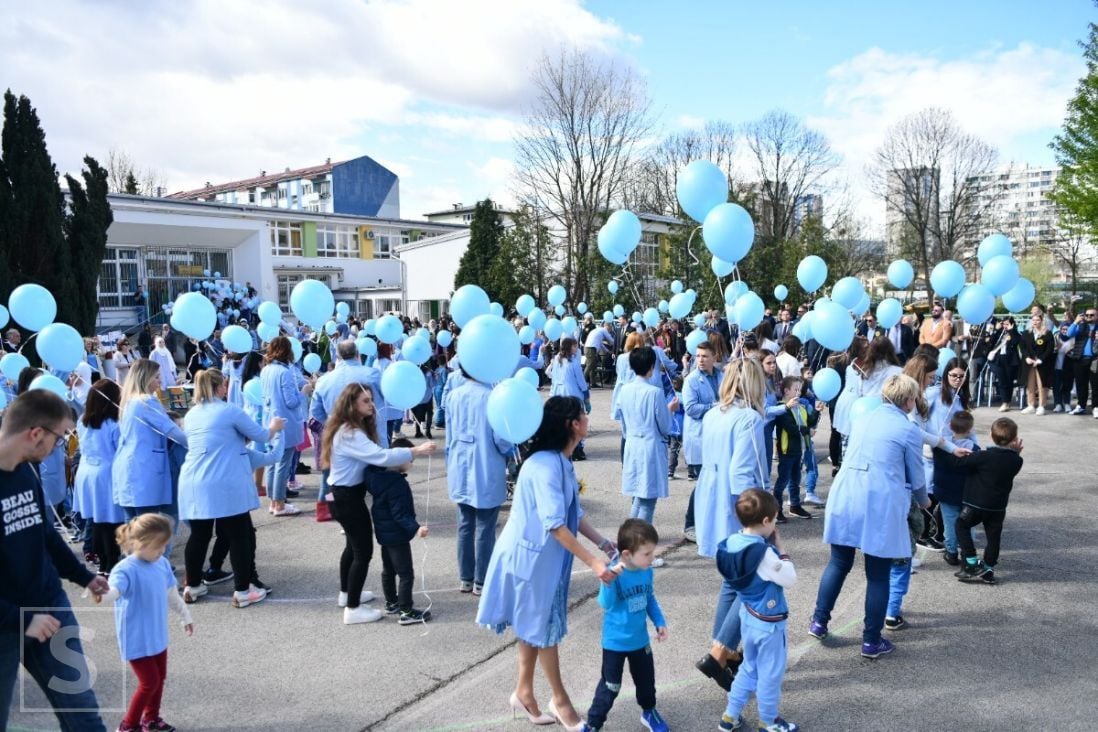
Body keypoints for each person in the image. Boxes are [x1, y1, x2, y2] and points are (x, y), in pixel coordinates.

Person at [476, 396, 618, 730]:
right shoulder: (544, 466)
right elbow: (555, 525)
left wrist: (602, 542)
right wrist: (594, 562)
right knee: (544, 631)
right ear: (572, 424)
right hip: (531, 562)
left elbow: (573, 513)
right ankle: (561, 701)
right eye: (583, 412)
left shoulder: (560, 460)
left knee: (534, 628)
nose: (587, 416)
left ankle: (524, 692)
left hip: (544, 561)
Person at [0, 390, 111, 731]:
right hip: (6, 623)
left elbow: (45, 535)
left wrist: (84, 576)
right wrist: (21, 620)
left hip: (50, 608)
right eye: (60, 437)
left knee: (83, 715)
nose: (59, 446)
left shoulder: (26, 470)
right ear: (36, 433)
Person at [809, 374, 928, 659]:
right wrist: (923, 502)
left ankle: (819, 620)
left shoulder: (863, 419)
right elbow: (917, 474)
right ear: (909, 400)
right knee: (878, 574)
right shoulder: (908, 429)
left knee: (838, 562)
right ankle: (871, 640)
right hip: (880, 500)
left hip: (847, 491)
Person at [322, 384, 435, 624]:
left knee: (353, 548)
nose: (371, 405)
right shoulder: (349, 432)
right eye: (365, 401)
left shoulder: (351, 429)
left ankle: (347, 594)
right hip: (346, 498)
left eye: (371, 400)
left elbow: (376, 455)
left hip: (344, 495)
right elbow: (381, 456)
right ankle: (352, 608)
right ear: (351, 404)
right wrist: (416, 450)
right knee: (363, 552)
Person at [693, 358, 770, 691]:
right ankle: (720, 651)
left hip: (712, 501)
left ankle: (723, 650)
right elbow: (741, 475)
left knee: (733, 581)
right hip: (738, 508)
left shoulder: (713, 413)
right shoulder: (749, 418)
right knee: (753, 584)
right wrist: (758, 521)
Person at [178, 369, 285, 608]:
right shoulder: (229, 410)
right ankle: (243, 590)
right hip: (223, 479)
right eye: (224, 385)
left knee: (199, 534)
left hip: (193, 479)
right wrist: (276, 426)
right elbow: (262, 435)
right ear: (219, 388)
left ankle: (192, 585)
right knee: (239, 535)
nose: (227, 389)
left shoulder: (192, 414)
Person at [96, 514, 192, 732]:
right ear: (140, 543)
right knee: (149, 682)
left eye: (164, 546)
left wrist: (185, 615)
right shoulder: (125, 569)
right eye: (159, 547)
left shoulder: (162, 563)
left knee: (160, 679)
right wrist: (101, 593)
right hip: (136, 637)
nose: (162, 551)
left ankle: (151, 720)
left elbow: (171, 594)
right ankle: (128, 726)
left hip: (157, 635)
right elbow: (114, 593)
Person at [715, 490, 799, 732]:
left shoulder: (731, 543)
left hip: (748, 615)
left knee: (749, 668)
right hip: (769, 623)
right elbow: (789, 578)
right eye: (773, 519)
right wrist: (781, 550)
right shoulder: (763, 554)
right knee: (771, 675)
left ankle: (730, 716)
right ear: (766, 522)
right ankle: (769, 721)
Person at [583, 519, 669, 732]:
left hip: (640, 641)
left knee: (647, 682)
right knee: (610, 686)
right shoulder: (614, 574)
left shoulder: (646, 571)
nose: (652, 558)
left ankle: (649, 712)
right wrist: (608, 584)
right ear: (627, 554)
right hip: (615, 643)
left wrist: (659, 622)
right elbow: (606, 604)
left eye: (652, 552)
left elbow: (649, 599)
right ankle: (593, 723)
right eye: (647, 554)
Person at [445, 370, 513, 595]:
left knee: (465, 523)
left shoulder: (454, 395)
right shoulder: (491, 396)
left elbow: (449, 434)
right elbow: (501, 438)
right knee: (485, 524)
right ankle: (481, 579)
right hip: (486, 462)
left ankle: (466, 577)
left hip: (460, 462)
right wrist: (510, 451)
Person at [935, 418, 1024, 586]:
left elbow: (956, 463)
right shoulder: (1017, 461)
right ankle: (988, 568)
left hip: (975, 504)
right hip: (998, 508)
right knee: (994, 537)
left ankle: (970, 560)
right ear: (1014, 439)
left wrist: (940, 449)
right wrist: (1016, 453)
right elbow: (1011, 463)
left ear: (991, 435)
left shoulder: (981, 457)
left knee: (961, 526)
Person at [367, 437, 432, 624]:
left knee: (388, 570)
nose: (412, 463)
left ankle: (391, 602)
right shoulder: (397, 484)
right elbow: (400, 514)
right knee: (405, 573)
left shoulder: (377, 477)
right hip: (396, 535)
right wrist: (417, 528)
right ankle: (406, 609)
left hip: (384, 534)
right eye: (410, 459)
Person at [113, 359, 188, 521]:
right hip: (144, 473)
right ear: (144, 378)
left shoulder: (128, 402)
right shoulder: (146, 402)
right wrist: (198, 444)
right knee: (149, 534)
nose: (160, 380)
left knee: (133, 532)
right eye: (156, 377)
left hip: (126, 471)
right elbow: (173, 431)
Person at [614, 347, 677, 524]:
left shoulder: (624, 390)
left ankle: (630, 538)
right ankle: (639, 541)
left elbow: (623, 420)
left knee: (639, 497)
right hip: (650, 446)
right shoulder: (654, 392)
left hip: (632, 443)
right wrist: (670, 410)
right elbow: (664, 426)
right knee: (648, 500)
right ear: (651, 366)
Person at [74, 379, 126, 576]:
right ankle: (111, 561)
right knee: (111, 520)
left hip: (87, 472)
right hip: (106, 472)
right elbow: (119, 450)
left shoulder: (83, 421)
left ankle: (103, 561)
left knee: (97, 518)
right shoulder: (114, 424)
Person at [260, 336, 314, 515]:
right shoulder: (284, 372)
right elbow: (291, 402)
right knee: (282, 464)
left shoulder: (266, 370)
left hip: (271, 420)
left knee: (273, 463)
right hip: (286, 422)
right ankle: (279, 504)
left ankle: (273, 502)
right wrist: (304, 392)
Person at [681, 342, 722, 540]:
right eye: (697, 356)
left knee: (714, 484)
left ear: (714, 357)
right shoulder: (692, 380)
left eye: (705, 356)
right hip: (699, 437)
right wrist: (715, 407)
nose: (700, 360)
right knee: (702, 484)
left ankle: (708, 523)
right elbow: (691, 409)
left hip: (717, 436)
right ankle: (691, 524)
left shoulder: (721, 375)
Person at [932, 410, 978, 566]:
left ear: (950, 426)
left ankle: (951, 552)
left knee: (950, 523)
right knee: (967, 524)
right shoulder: (974, 449)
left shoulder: (941, 447)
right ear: (970, 429)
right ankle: (967, 551)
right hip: (968, 493)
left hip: (946, 491)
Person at [772, 376, 819, 521]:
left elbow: (809, 421)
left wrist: (816, 412)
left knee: (795, 479)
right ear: (786, 391)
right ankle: (777, 510)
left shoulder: (800, 407)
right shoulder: (782, 408)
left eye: (800, 389)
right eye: (795, 389)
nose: (799, 392)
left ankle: (795, 505)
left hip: (799, 449)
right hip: (787, 451)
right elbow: (791, 428)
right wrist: (806, 431)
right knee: (783, 480)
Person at [548, 338, 590, 460]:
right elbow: (581, 381)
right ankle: (577, 450)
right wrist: (586, 396)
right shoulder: (574, 362)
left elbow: (554, 377)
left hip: (559, 393)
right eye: (574, 346)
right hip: (573, 395)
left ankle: (564, 448)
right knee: (576, 423)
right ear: (569, 347)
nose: (576, 348)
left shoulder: (557, 359)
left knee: (563, 422)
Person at [1020, 313, 1055, 415]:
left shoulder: (1047, 333)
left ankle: (1041, 405)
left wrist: (1041, 359)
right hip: (1030, 362)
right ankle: (1031, 405)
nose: (1035, 322)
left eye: (1037, 320)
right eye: (1033, 320)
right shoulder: (1026, 333)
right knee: (1030, 384)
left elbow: (1050, 349)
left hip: (1042, 363)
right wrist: (1026, 357)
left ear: (1042, 321)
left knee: (1042, 385)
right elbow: (1022, 347)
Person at [1065, 307, 1098, 416]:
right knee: (1080, 384)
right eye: (1087, 315)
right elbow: (1069, 334)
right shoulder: (1080, 326)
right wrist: (1075, 321)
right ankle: (1081, 406)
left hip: (1095, 359)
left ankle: (1096, 407)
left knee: (1095, 385)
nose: (1089, 317)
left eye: (1092, 315)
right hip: (1080, 359)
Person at [988, 316, 1021, 412]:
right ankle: (1004, 402)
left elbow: (1016, 342)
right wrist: (996, 330)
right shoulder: (998, 333)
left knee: (1009, 381)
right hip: (997, 359)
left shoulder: (1015, 333)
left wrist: (1011, 331)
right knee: (1002, 380)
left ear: (1012, 324)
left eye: (1007, 324)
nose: (1005, 326)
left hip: (1010, 360)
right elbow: (990, 343)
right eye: (1003, 324)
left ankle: (1007, 402)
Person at [583, 321, 616, 388]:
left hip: (588, 348)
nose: (611, 330)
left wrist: (607, 351)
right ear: (607, 326)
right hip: (591, 349)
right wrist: (616, 343)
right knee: (589, 366)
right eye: (611, 328)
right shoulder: (604, 330)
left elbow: (600, 344)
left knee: (593, 366)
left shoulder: (598, 330)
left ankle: (593, 383)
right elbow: (612, 341)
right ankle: (582, 383)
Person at [667, 375, 684, 481]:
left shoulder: (670, 396)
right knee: (687, 449)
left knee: (673, 450)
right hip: (684, 426)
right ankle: (692, 471)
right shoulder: (686, 396)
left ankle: (670, 471)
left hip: (673, 427)